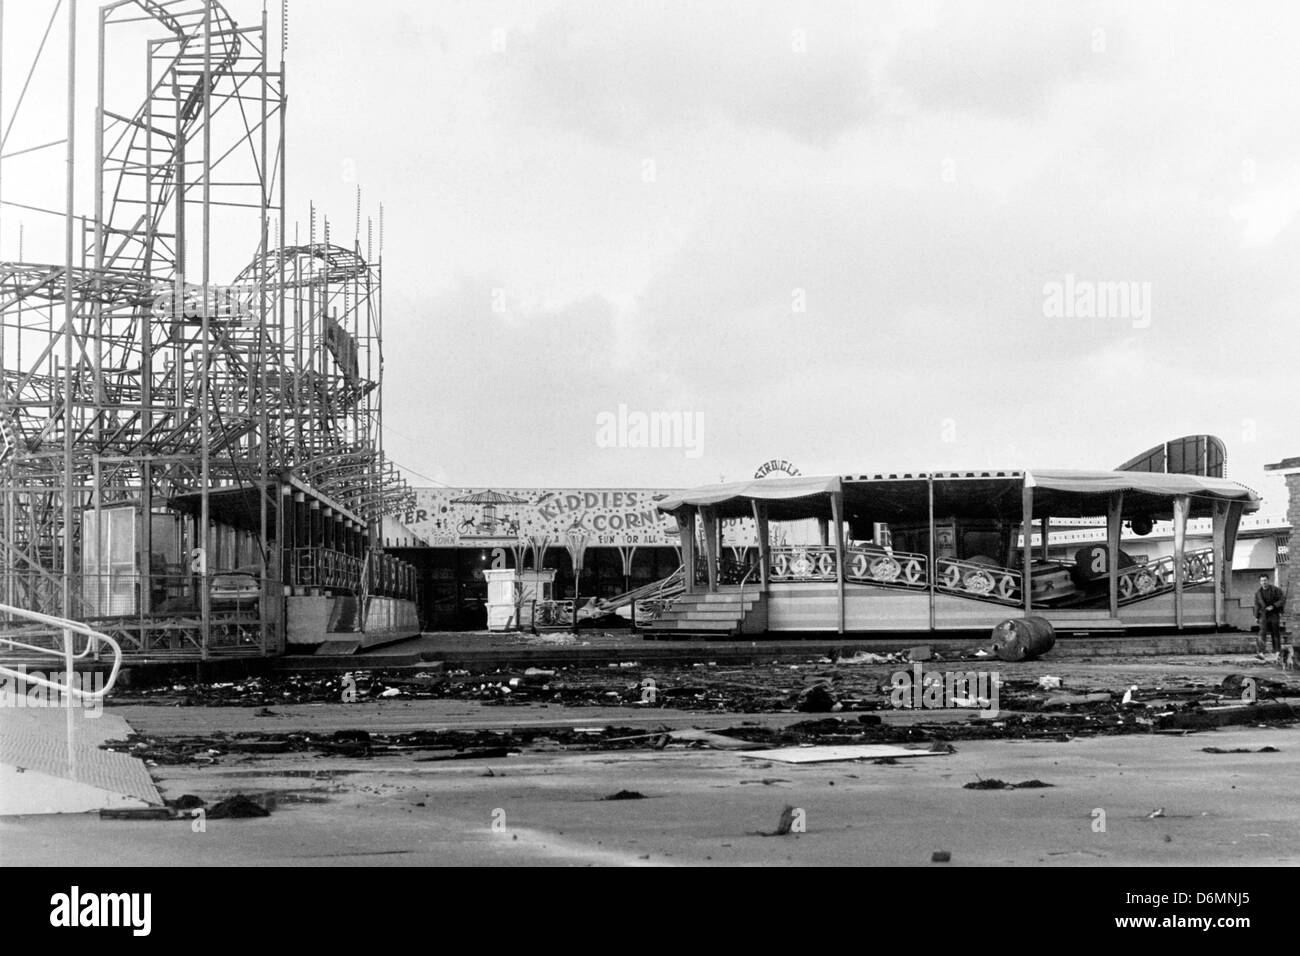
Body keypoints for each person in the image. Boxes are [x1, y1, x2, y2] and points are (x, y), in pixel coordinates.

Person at [1253, 574, 1286, 655]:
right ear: (1260, 582)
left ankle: (1277, 651)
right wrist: (1256, 616)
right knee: (1262, 633)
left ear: (1268, 580)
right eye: (1262, 581)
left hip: (1274, 614)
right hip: (1263, 615)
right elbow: (1256, 605)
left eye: (1265, 580)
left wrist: (1274, 606)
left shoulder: (1276, 590)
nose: (1264, 582)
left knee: (1275, 632)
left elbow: (1282, 600)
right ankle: (1261, 652)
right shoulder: (1258, 593)